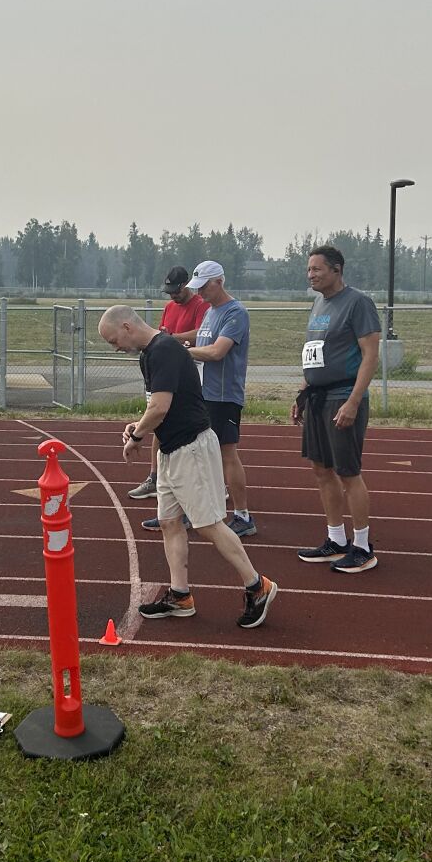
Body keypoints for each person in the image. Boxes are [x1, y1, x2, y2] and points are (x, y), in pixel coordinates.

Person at [98, 305, 277, 629]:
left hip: (190, 449)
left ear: (126, 326)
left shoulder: (164, 350)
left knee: (208, 523)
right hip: (171, 449)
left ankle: (257, 585)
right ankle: (180, 595)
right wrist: (137, 427)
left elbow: (160, 407)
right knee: (169, 522)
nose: (116, 347)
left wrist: (137, 435)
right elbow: (157, 407)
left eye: (113, 340)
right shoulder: (149, 355)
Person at [291, 244, 382, 574]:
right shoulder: (318, 303)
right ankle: (336, 540)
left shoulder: (358, 303)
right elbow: (317, 352)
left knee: (348, 473)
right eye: (308, 269)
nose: (310, 275)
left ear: (336, 270)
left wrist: (353, 402)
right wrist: (303, 392)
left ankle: (362, 547)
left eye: (316, 269)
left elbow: (370, 356)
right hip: (317, 397)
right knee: (321, 470)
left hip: (343, 397)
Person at [183, 261, 255, 538]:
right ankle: (197, 509)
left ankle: (243, 515)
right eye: (197, 288)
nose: (200, 293)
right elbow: (203, 348)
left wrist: (183, 352)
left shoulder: (235, 313)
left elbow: (216, 352)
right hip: (205, 393)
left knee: (226, 453)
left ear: (219, 282)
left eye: (204, 287)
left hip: (224, 395)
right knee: (199, 452)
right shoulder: (210, 313)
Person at [127, 266, 209, 501]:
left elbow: (202, 333)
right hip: (167, 366)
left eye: (176, 290)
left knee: (191, 427)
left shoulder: (200, 305)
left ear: (186, 285)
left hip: (192, 367)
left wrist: (173, 339)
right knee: (159, 422)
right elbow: (161, 331)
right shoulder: (170, 307)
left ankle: (205, 482)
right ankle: (156, 477)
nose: (172, 295)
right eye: (169, 291)